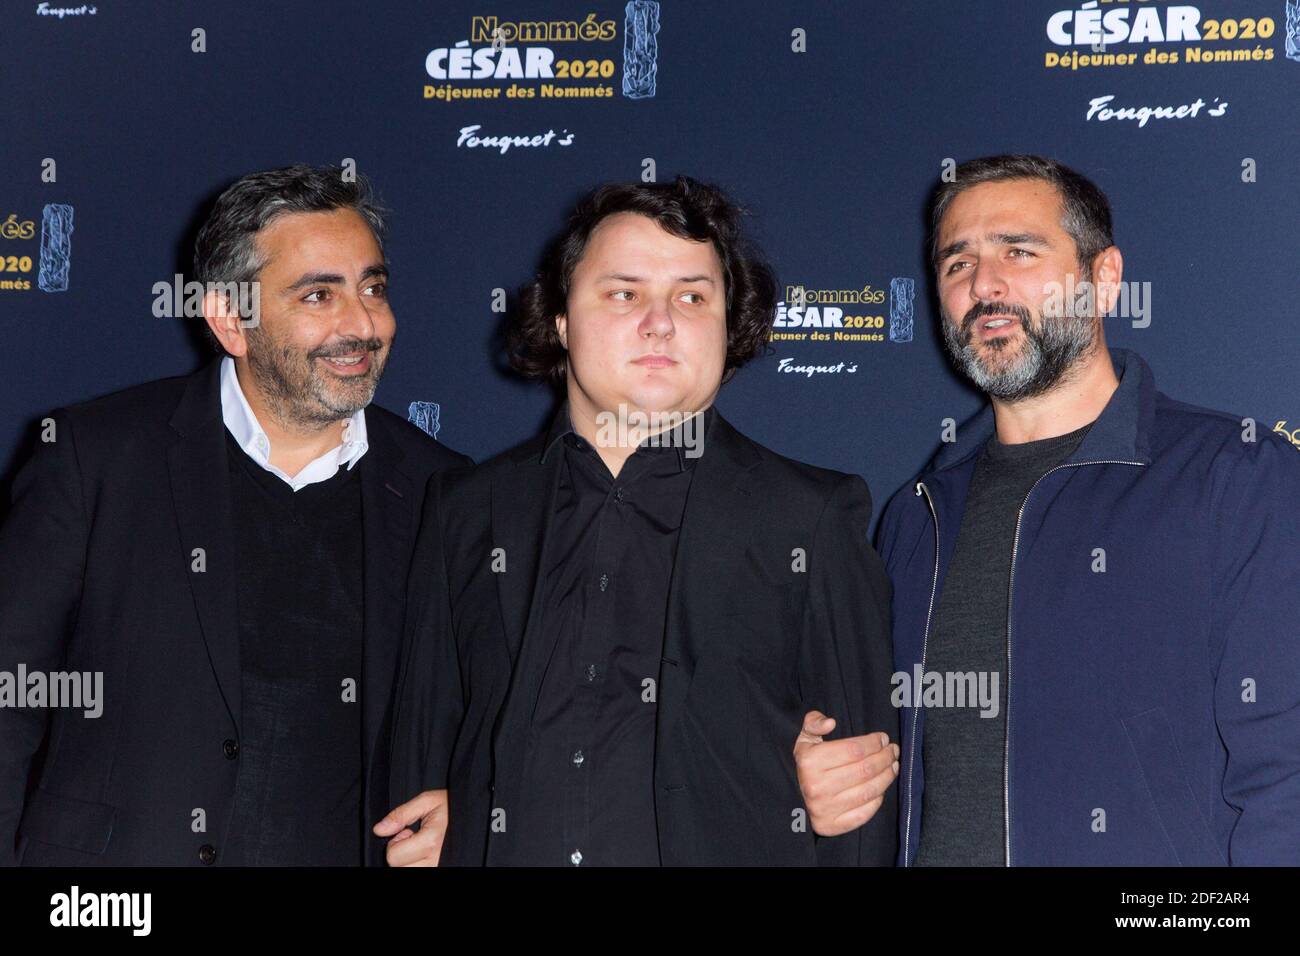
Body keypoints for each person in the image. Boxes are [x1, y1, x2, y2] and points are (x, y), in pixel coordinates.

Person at [380, 176, 898, 866]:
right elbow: (421, 768)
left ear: (728, 323)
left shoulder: (811, 519)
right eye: (624, 293)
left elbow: (861, 802)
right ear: (561, 319)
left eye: (692, 296)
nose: (661, 322)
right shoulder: (465, 512)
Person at [801, 154, 1300, 865]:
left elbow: (1286, 776)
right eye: (956, 263)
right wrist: (824, 781)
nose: (984, 284)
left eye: (1019, 251)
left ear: (1104, 279)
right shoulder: (916, 516)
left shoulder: (1235, 475)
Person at [0, 164, 469, 866]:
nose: (363, 324)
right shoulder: (94, 458)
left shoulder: (445, 490)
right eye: (319, 295)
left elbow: (481, 727)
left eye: (374, 288)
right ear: (230, 319)